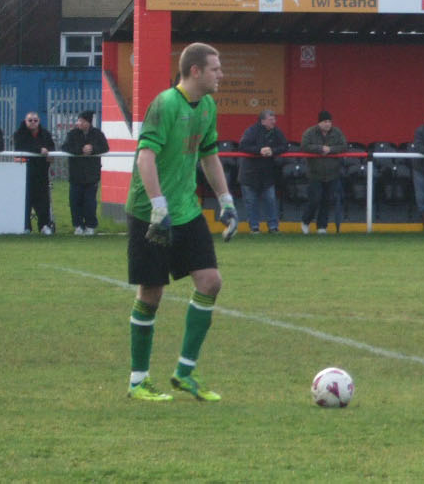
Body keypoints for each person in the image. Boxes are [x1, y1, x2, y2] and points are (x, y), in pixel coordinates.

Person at [125, 42, 237, 402]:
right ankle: (138, 380)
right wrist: (158, 206)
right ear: (195, 71)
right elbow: (146, 158)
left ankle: (184, 373)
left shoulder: (207, 106)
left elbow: (209, 157)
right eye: (216, 69)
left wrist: (226, 201)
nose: (221, 74)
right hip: (150, 212)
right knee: (151, 293)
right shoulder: (165, 104)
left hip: (187, 211)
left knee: (210, 281)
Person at [238, 109, 288, 234]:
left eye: (274, 119)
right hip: (249, 174)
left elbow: (285, 146)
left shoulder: (276, 132)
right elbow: (243, 146)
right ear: (263, 121)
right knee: (251, 202)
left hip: (267, 174)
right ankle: (254, 227)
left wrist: (273, 151)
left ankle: (273, 227)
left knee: (271, 200)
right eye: (271, 120)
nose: (274, 122)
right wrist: (259, 150)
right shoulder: (252, 131)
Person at [300, 110, 348, 234]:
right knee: (314, 200)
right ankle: (306, 221)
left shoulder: (337, 132)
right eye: (325, 121)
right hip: (315, 173)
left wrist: (330, 150)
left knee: (327, 200)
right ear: (319, 122)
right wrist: (320, 149)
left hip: (332, 173)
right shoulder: (310, 132)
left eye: (329, 122)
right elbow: (304, 146)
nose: (328, 124)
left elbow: (344, 146)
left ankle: (322, 226)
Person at [63, 109, 109, 235]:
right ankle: (78, 225)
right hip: (75, 174)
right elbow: (65, 147)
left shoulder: (97, 134)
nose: (79, 123)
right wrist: (81, 150)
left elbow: (105, 147)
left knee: (90, 203)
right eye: (78, 121)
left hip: (92, 175)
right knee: (75, 202)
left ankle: (90, 226)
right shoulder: (72, 134)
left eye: (82, 121)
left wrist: (92, 149)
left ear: (88, 122)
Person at [13, 111, 57, 234]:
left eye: (35, 120)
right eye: (30, 120)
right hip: (25, 173)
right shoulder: (19, 134)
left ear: (39, 121)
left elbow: (51, 147)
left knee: (43, 201)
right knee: (25, 201)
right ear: (25, 121)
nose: (33, 122)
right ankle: (26, 227)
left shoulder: (45, 134)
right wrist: (39, 150)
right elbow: (21, 146)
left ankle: (44, 226)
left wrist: (50, 154)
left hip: (42, 173)